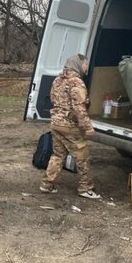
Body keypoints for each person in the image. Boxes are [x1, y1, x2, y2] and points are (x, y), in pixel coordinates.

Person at [40, 54, 101, 199]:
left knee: (58, 155)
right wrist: (88, 127)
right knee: (82, 156)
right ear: (78, 64)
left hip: (56, 123)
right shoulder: (77, 82)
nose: (86, 67)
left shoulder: (58, 80)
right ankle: (85, 188)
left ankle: (46, 184)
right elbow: (79, 107)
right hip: (69, 125)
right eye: (85, 64)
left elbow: (53, 98)